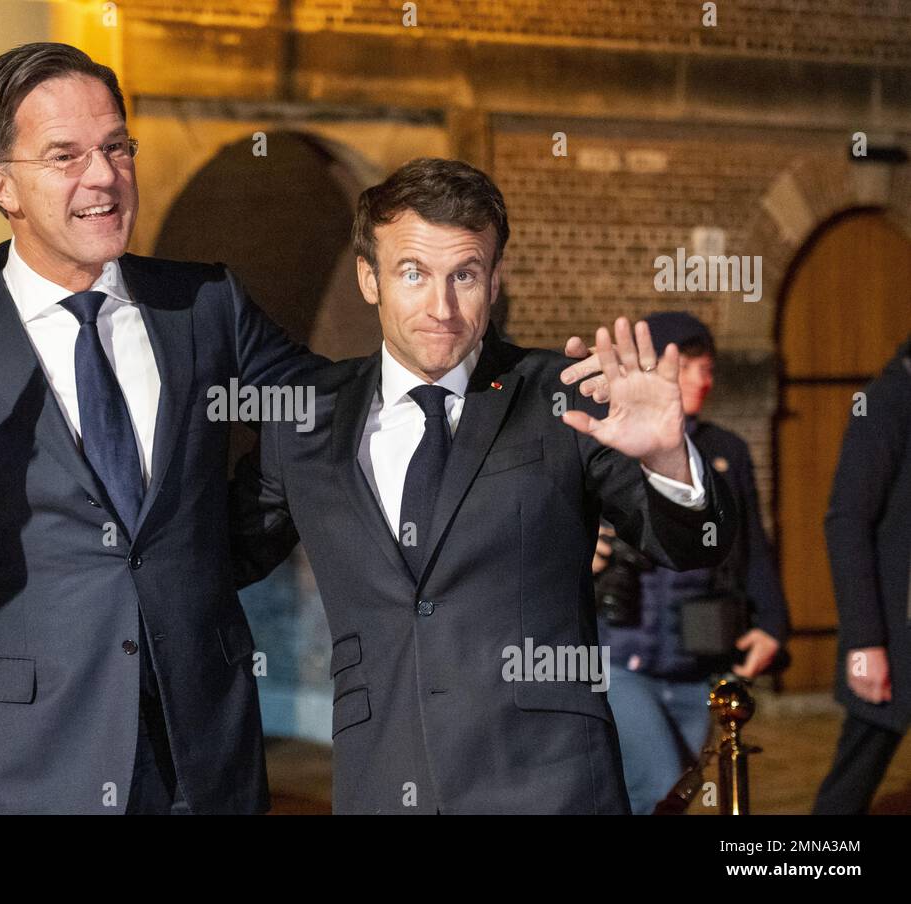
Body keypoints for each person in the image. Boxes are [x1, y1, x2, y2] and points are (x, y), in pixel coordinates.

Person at [0, 42, 322, 814]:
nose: (104, 177)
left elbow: (321, 416)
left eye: (116, 146)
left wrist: (227, 542)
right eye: (65, 156)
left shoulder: (205, 304)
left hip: (204, 764)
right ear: (0, 184)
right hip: (29, 773)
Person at [223, 158, 735, 813]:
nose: (441, 308)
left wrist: (669, 458)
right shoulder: (306, 417)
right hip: (383, 783)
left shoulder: (565, 396)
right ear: (369, 278)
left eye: (464, 275)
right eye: (413, 273)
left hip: (550, 786)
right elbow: (214, 556)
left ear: (494, 281)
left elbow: (696, 545)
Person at [589, 311, 789, 815]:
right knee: (659, 780)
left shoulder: (726, 450)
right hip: (619, 655)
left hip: (700, 657)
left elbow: (751, 547)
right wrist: (578, 551)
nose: (704, 379)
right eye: (689, 368)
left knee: (672, 796)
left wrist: (773, 625)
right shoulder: (608, 445)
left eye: (708, 368)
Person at [813, 335, 911, 814]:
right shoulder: (887, 401)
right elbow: (846, 522)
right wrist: (865, 643)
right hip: (894, 639)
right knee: (852, 782)